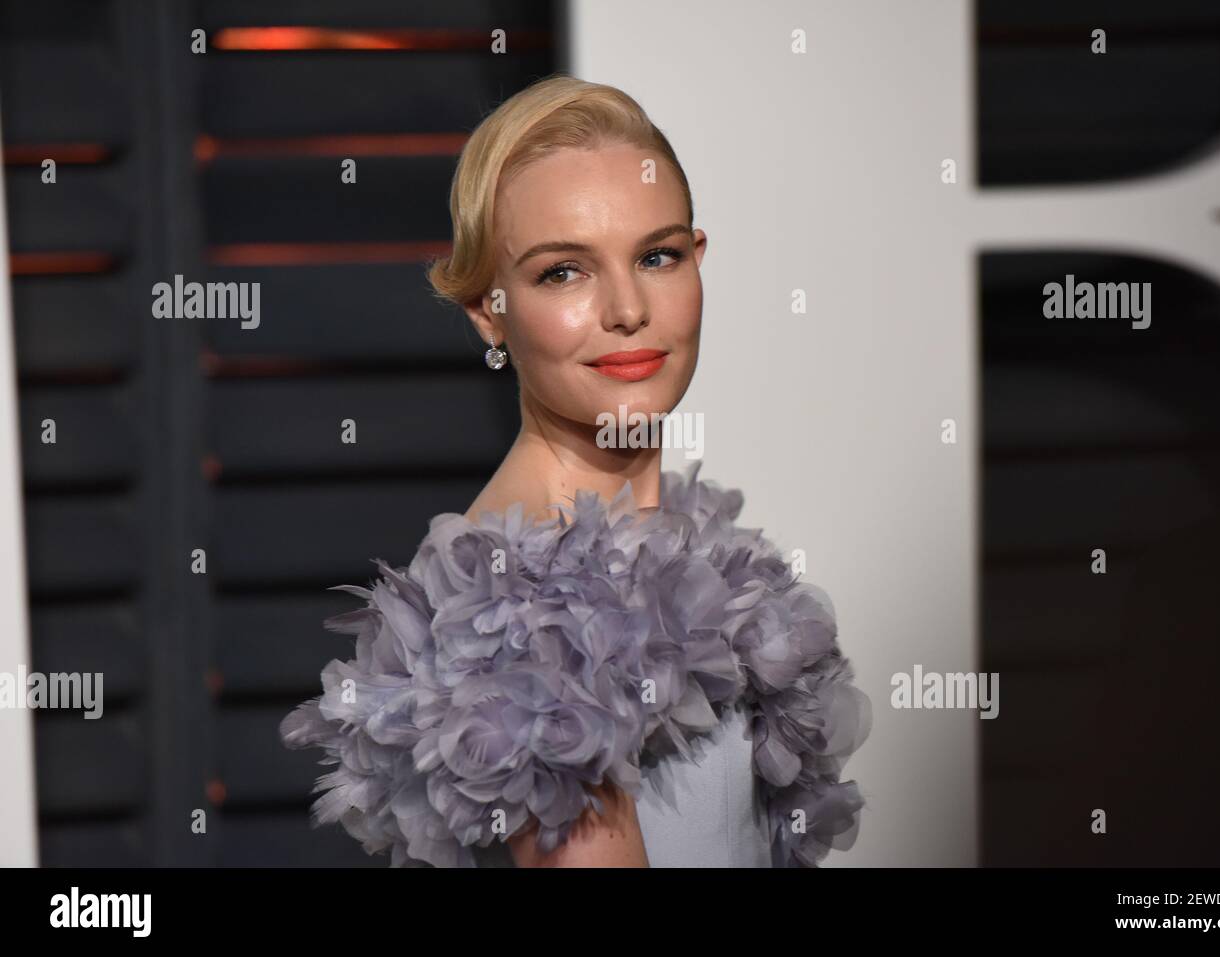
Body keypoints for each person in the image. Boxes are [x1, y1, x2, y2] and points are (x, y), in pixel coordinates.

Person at [280, 74, 870, 868]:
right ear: (489, 308)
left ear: (698, 261)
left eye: (656, 255)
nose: (627, 307)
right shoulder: (517, 619)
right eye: (564, 271)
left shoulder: (675, 544)